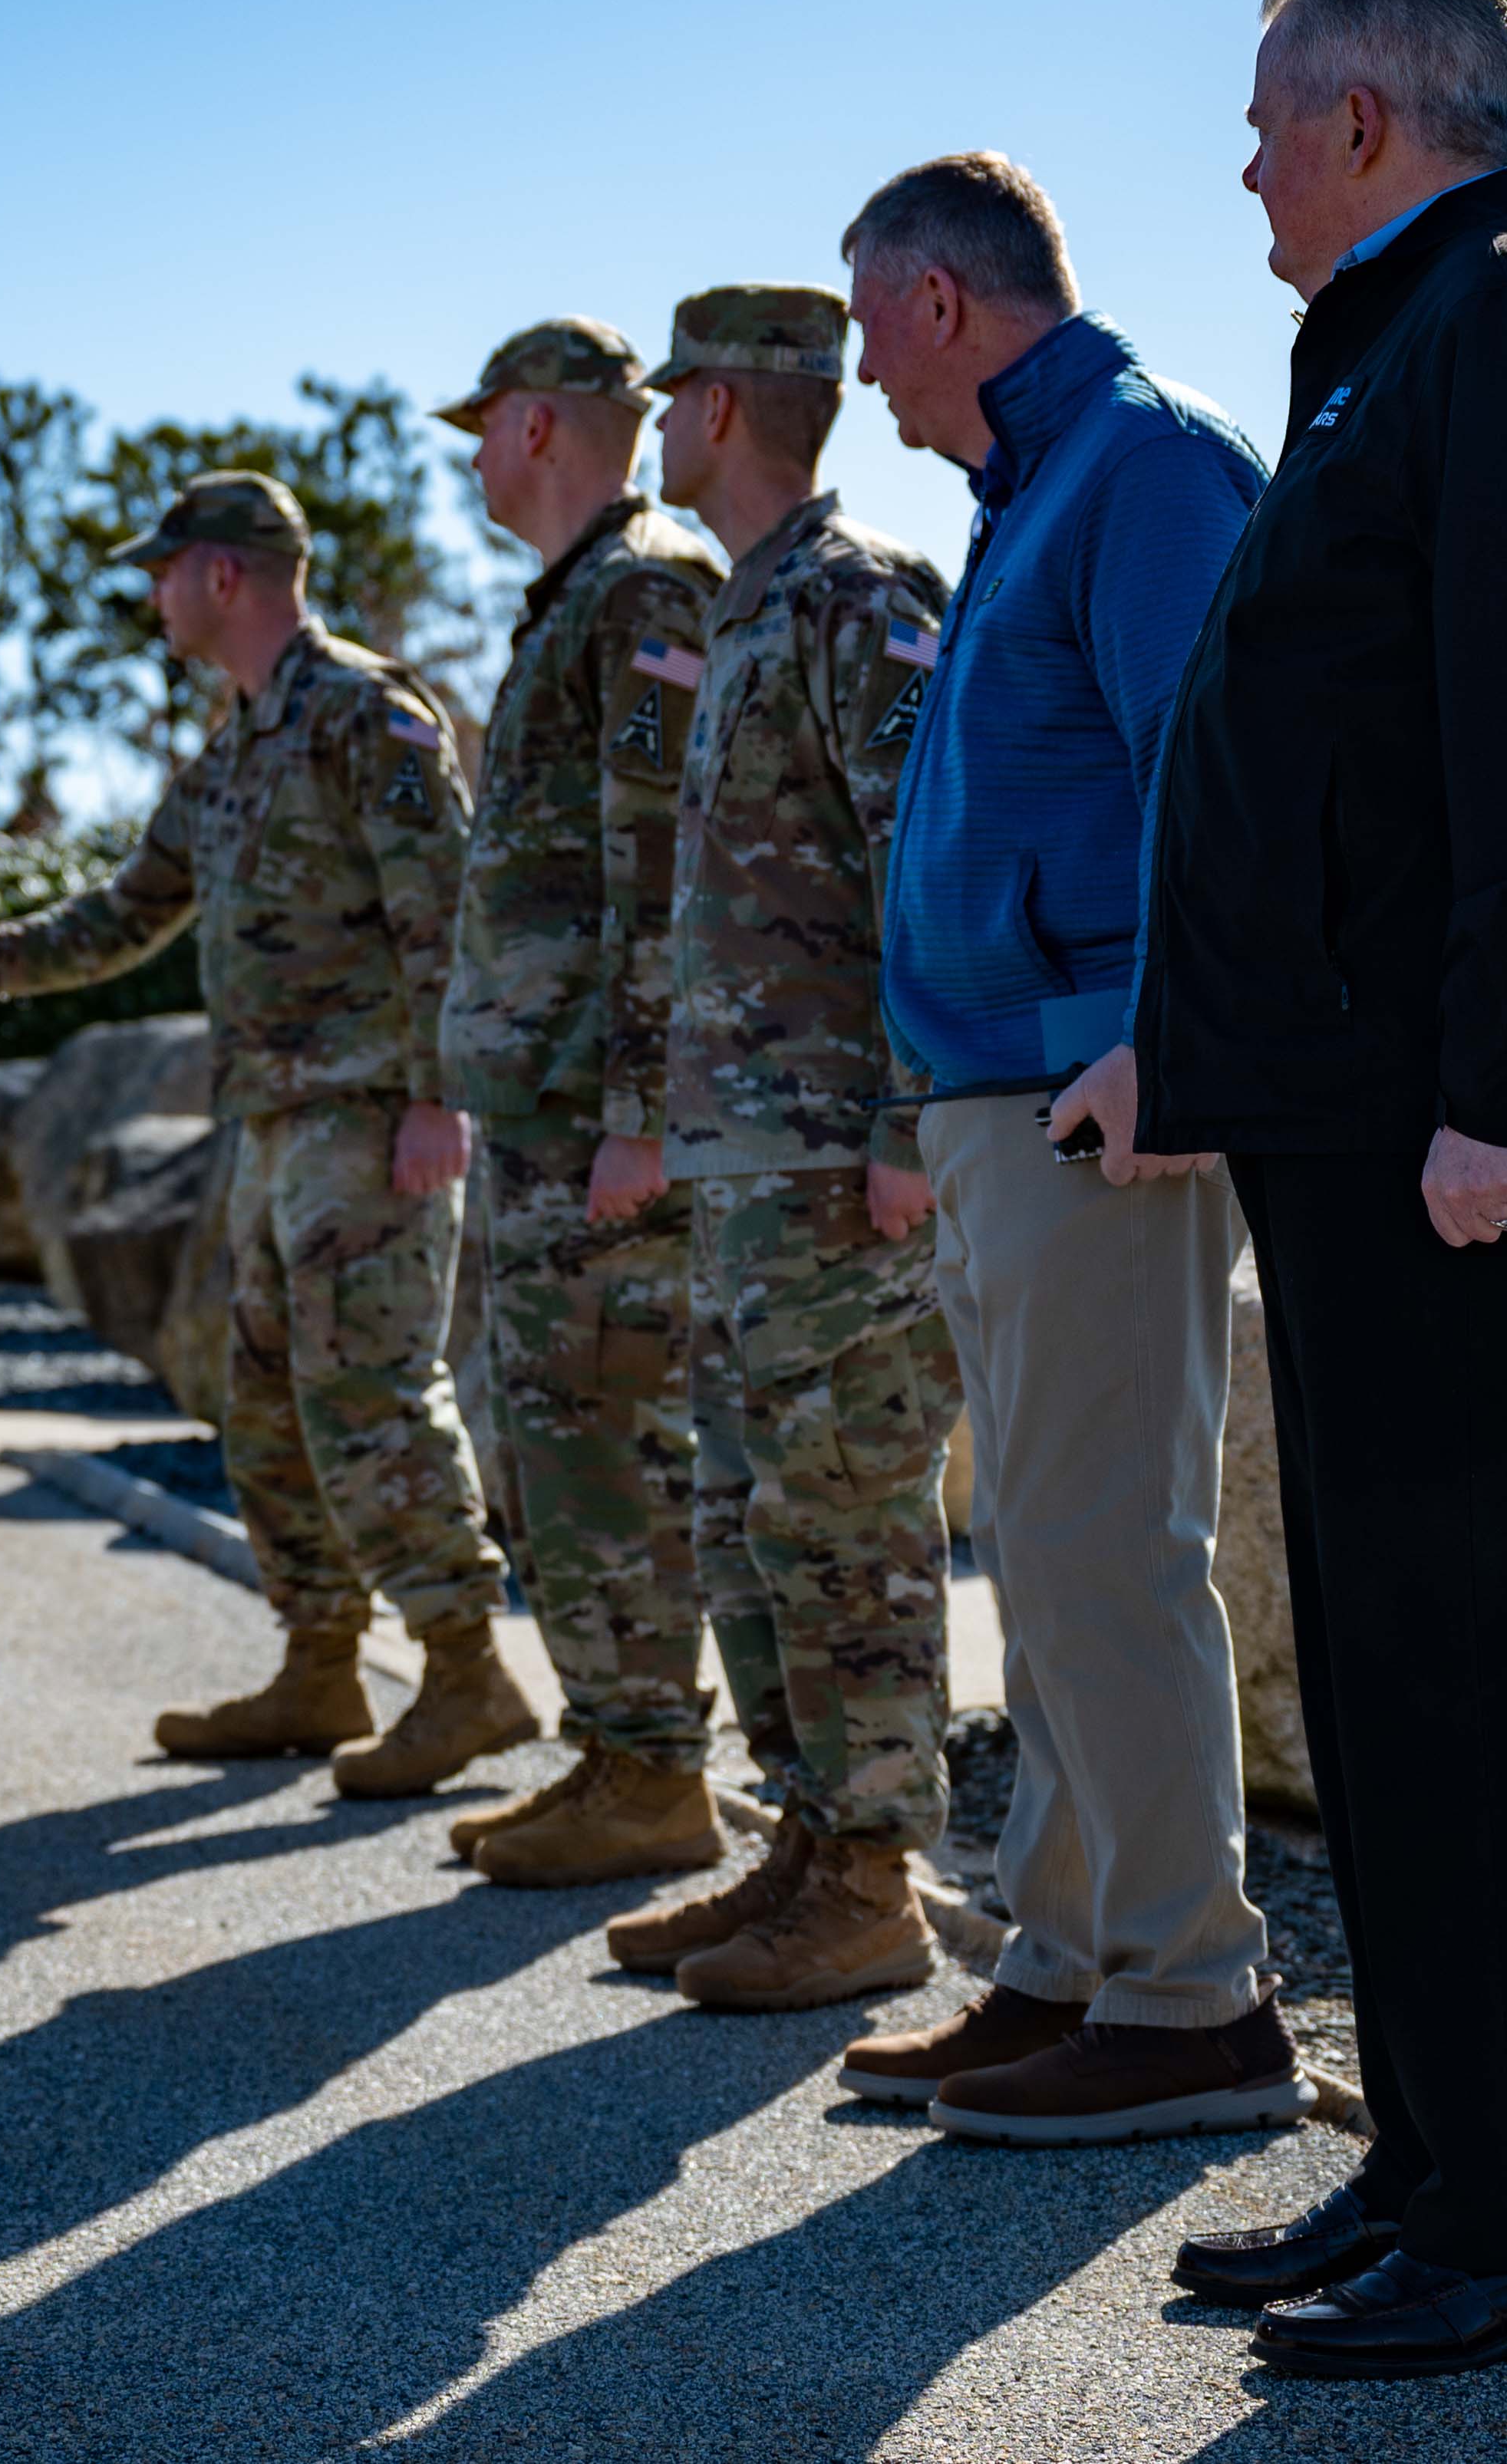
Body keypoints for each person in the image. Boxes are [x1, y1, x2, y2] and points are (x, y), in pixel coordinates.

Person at [1132, 0, 1507, 2375]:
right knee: (1372, 1669)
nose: (1241, 162)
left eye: (1265, 120)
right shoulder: (1390, 338)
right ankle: (1434, 2158)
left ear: (1364, 120)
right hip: (1342, 1112)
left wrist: (1490, 1084)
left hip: (1431, 1131)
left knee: (1457, 1668)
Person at [821, 152, 1307, 2144]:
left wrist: (1150, 1038)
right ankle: (1061, 1959)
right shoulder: (1032, 489)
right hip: (1006, 1096)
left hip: (1091, 1100)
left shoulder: (1137, 462)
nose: (858, 375)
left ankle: (1194, 2000)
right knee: (1043, 1549)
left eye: (866, 327)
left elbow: (1224, 766)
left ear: (940, 301)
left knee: (1106, 1548)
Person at [0, 472, 536, 1799]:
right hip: (268, 1126)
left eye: (165, 572)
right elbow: (118, 914)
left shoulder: (366, 713)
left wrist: (439, 1098)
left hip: (368, 1120)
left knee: (373, 1395)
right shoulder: (230, 751)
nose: (153, 596)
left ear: (224, 575)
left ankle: (464, 1671)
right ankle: (318, 1662)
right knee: (265, 1408)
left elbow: (444, 910)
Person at [602, 286, 962, 2012]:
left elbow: (926, 857)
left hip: (838, 1159)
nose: (659, 434)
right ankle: (811, 1844)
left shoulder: (853, 597)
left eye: (675, 406)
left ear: (724, 412)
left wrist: (907, 1115)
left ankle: (879, 1877)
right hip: (749, 1159)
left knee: (848, 1513)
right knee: (751, 1514)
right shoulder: (746, 612)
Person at [430, 319, 731, 1887]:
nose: (474, 453)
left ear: (537, 427)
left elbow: (662, 865)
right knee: (556, 1439)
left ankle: (654, 1772)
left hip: (597, 1123)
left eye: (485, 426)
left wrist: (637, 1108)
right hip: (543, 1111)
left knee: (607, 1432)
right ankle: (614, 1746)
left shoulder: (643, 587)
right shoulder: (578, 599)